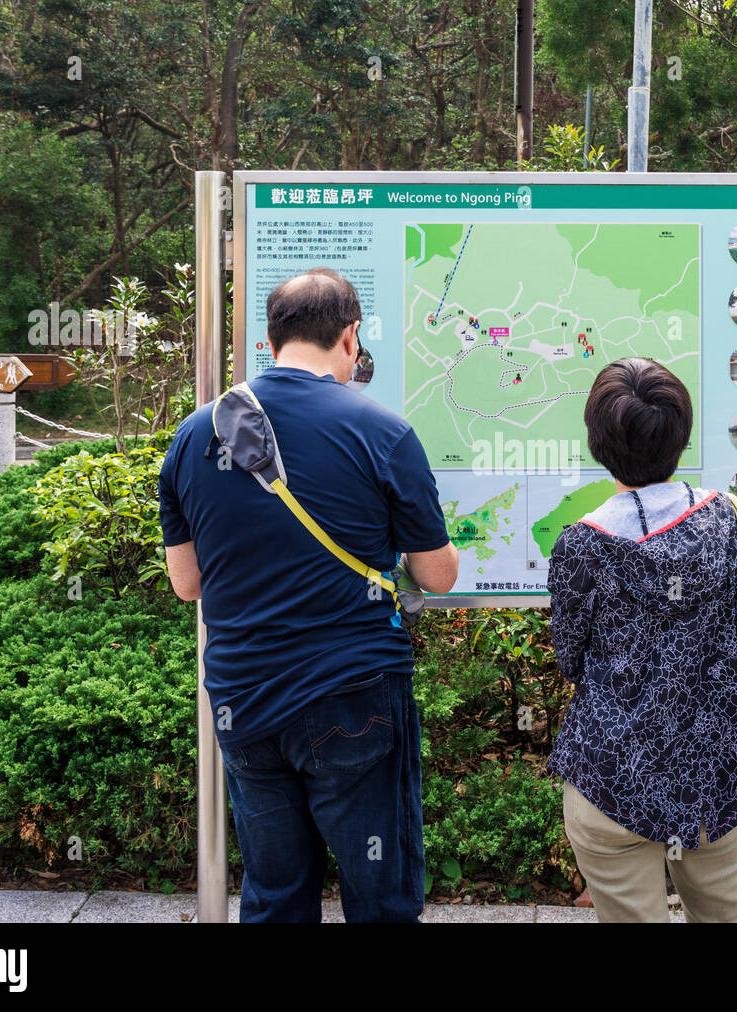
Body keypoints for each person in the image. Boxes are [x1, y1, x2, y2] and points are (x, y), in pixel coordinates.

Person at [158, 268, 458, 922]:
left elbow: (187, 586)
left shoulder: (191, 437)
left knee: (275, 893)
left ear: (269, 342)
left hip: (245, 702)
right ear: (351, 338)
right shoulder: (383, 433)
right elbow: (436, 576)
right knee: (380, 894)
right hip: (355, 697)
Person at [546, 357, 737, 923]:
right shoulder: (727, 516)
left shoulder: (581, 546)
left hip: (611, 780)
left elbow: (570, 657)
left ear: (598, 443)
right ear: (681, 433)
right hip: (717, 775)